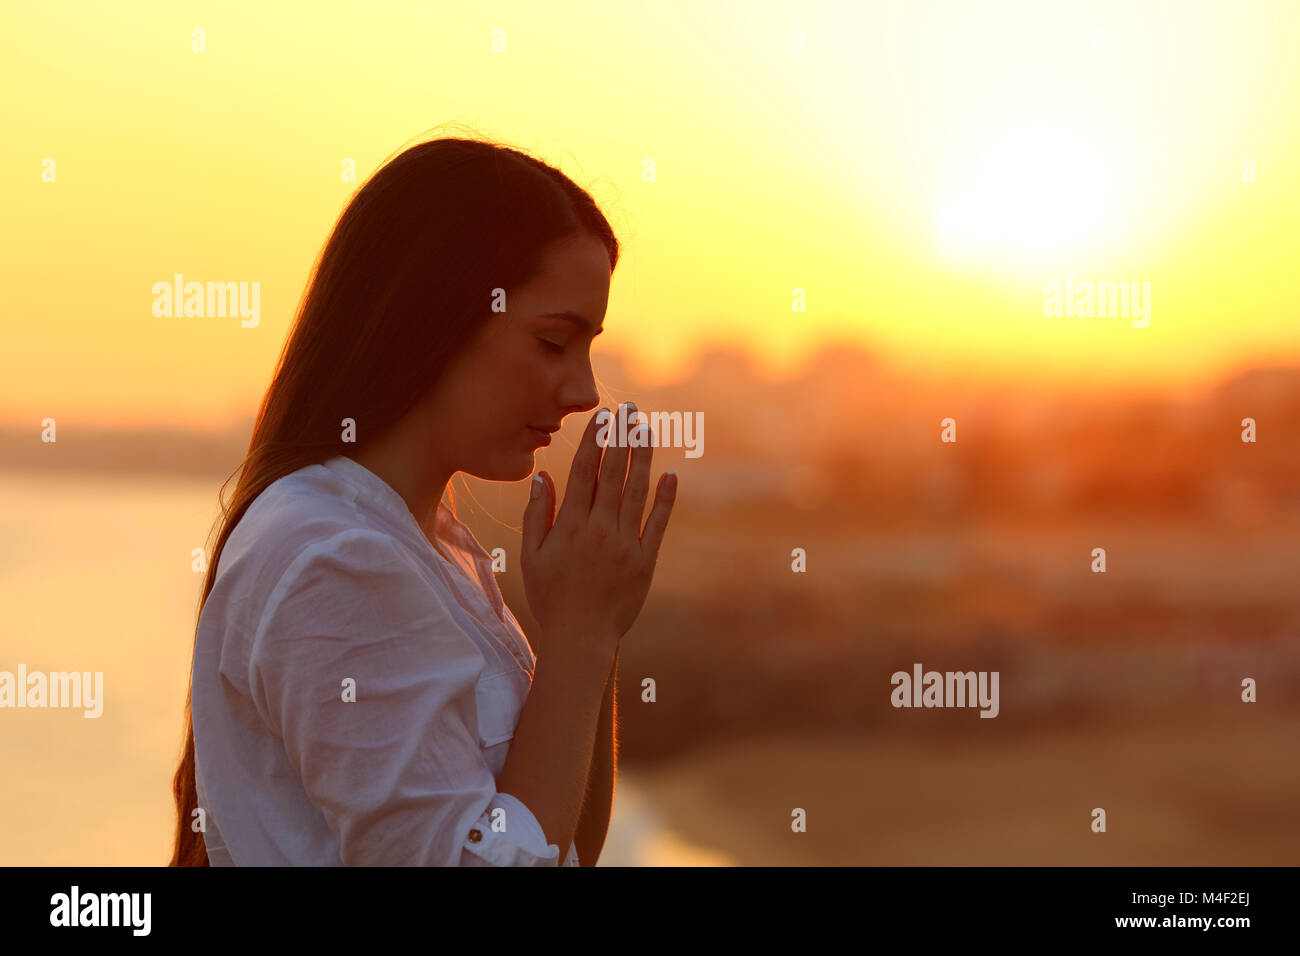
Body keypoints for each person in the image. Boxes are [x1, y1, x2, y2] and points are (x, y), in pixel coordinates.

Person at [167, 133, 677, 866]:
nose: (584, 391)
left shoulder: (432, 547)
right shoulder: (331, 556)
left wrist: (590, 634)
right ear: (433, 317)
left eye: (588, 347)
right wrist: (579, 635)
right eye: (552, 341)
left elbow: (563, 847)